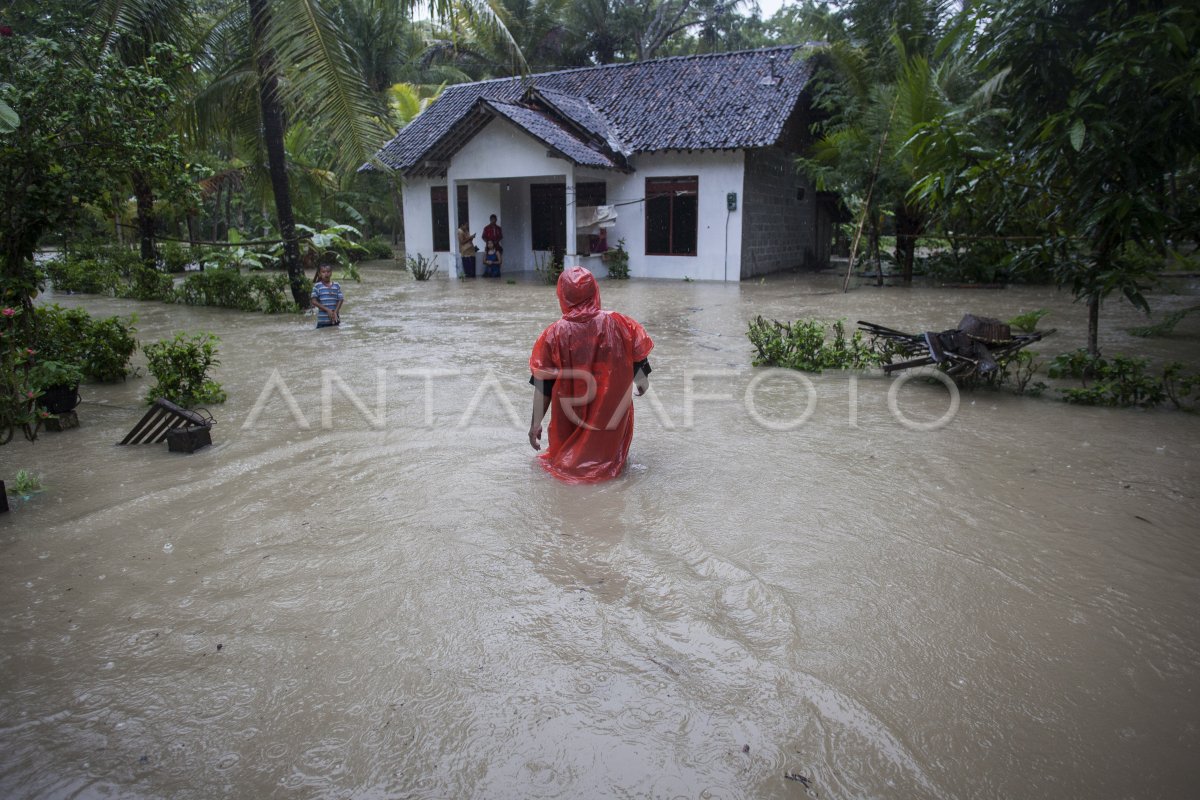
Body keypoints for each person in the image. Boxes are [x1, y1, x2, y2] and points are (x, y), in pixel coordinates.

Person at [528, 266, 653, 483]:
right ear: (595, 291)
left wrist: (535, 425)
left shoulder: (552, 335)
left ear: (562, 295)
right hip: (610, 416)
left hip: (569, 415)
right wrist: (642, 383)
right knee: (611, 461)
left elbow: (544, 385)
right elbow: (639, 361)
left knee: (565, 466)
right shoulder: (621, 323)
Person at [310, 264, 343, 328]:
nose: (326, 274)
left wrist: (335, 312)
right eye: (323, 272)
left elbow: (341, 299)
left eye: (328, 271)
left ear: (331, 273)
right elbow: (313, 301)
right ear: (319, 274)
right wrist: (327, 310)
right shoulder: (317, 286)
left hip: (335, 320)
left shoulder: (336, 285)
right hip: (322, 321)